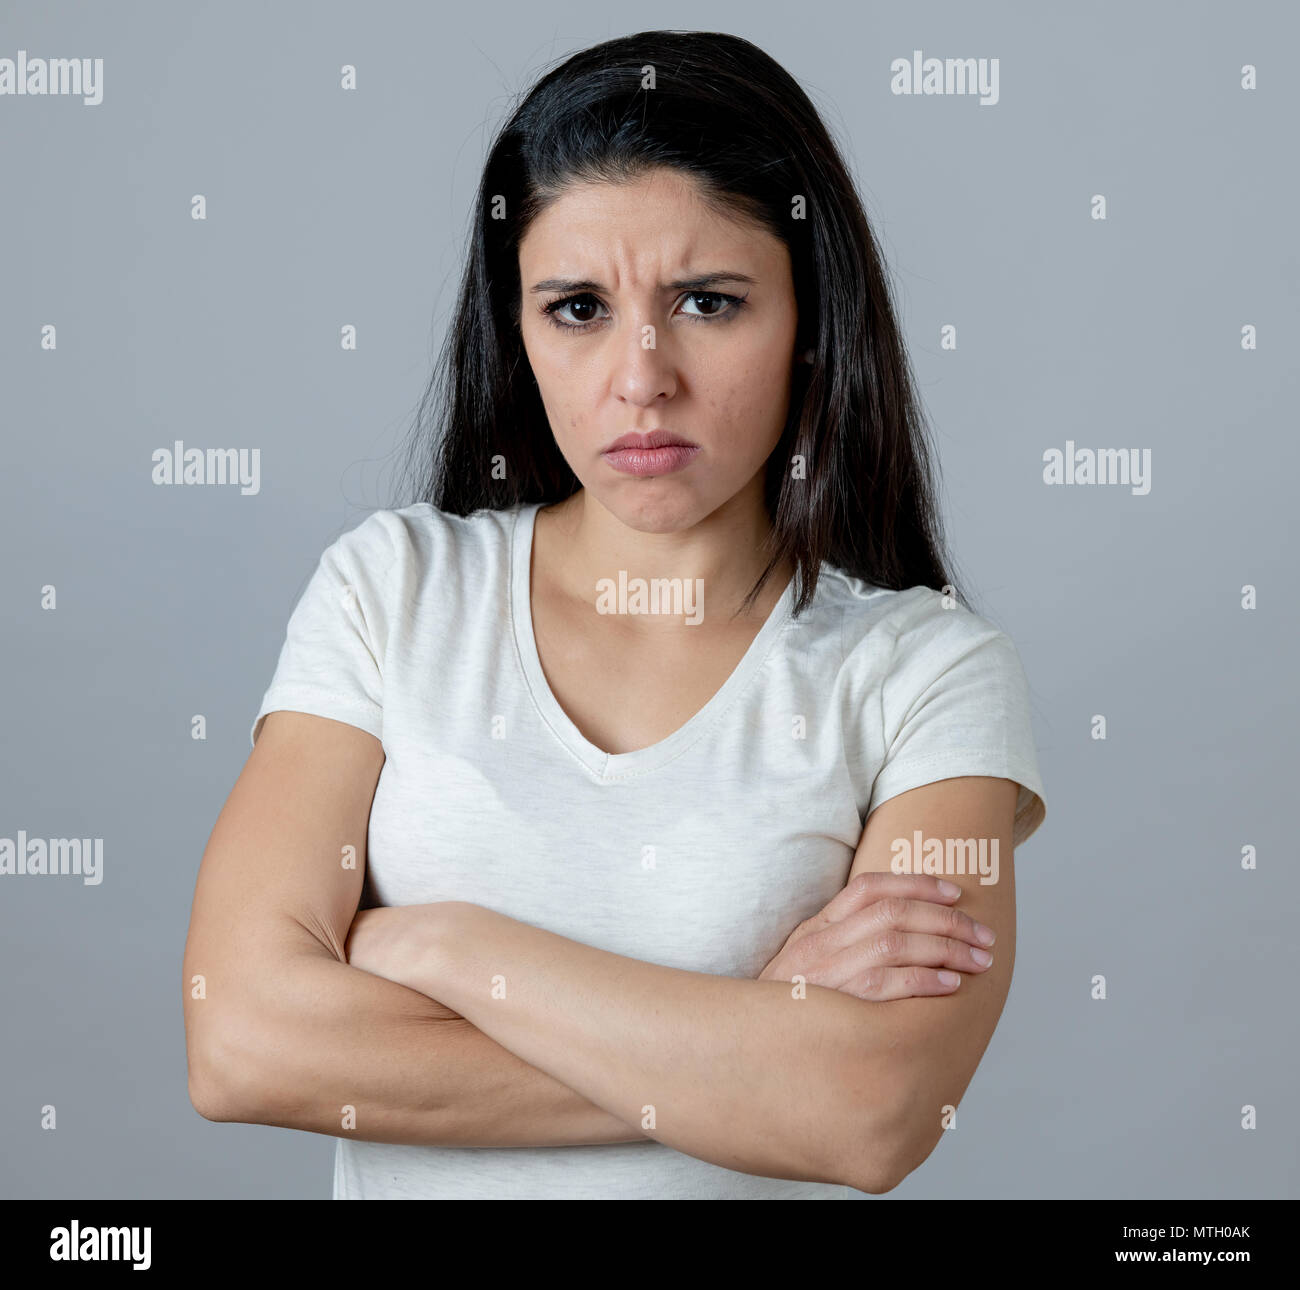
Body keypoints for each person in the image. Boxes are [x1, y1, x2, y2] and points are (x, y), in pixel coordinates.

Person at [182, 28, 1047, 1200]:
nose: (641, 375)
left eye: (706, 299)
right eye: (578, 307)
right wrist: (755, 1038)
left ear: (810, 323)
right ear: (519, 332)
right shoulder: (388, 593)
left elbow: (870, 1113)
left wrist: (440, 944)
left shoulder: (926, 673)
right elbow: (240, 1043)